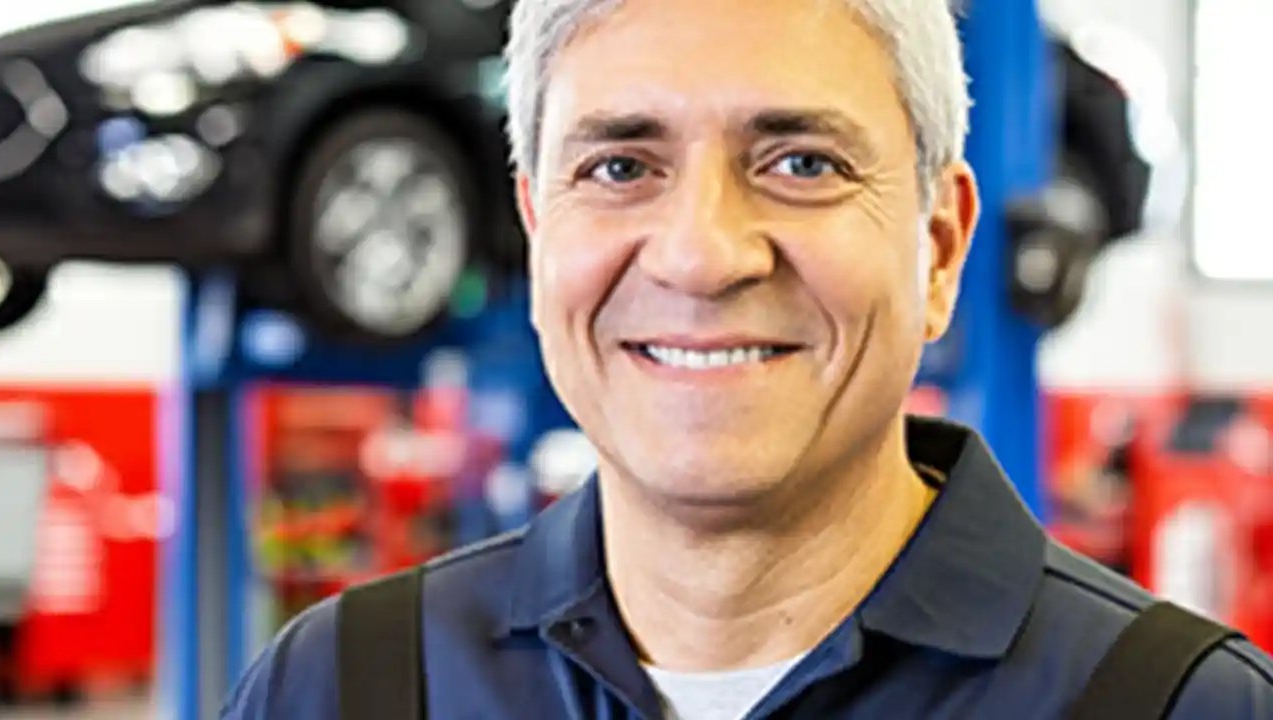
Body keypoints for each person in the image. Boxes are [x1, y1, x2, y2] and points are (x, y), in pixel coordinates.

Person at [222, 0, 1273, 717]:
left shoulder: (1180, 707)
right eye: (621, 164)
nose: (701, 255)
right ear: (539, 234)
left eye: (801, 163)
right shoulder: (343, 688)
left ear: (940, 245)